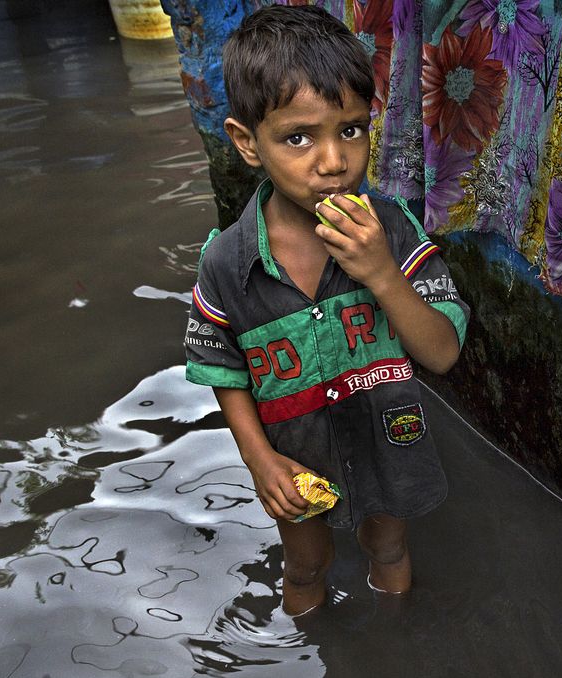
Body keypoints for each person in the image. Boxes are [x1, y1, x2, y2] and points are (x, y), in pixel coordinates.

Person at [183, 5, 469, 617]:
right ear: (247, 142)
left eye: (352, 130)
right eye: (299, 138)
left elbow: (443, 353)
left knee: (387, 547)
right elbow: (225, 372)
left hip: (387, 439)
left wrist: (382, 274)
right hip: (295, 455)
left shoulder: (391, 232)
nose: (334, 161)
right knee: (306, 564)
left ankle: (397, 645)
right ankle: (308, 644)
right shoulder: (227, 264)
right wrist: (259, 460)